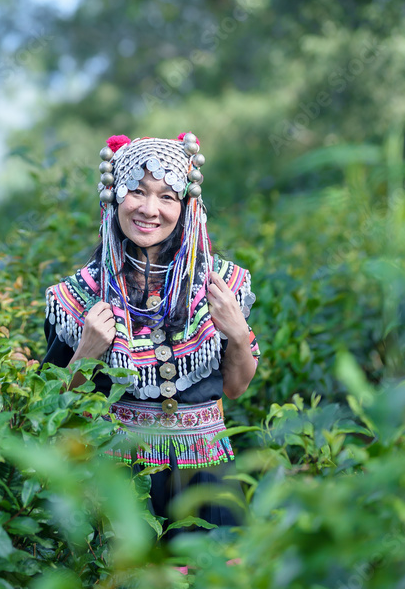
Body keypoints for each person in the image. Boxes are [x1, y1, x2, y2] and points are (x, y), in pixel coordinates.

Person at [41, 132, 260, 549]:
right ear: (112, 197)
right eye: (136, 192)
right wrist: (86, 353)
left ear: (187, 206)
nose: (149, 209)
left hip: (208, 474)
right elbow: (52, 407)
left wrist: (237, 333)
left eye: (166, 197)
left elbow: (236, 386)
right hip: (123, 480)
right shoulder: (78, 295)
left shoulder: (223, 284)